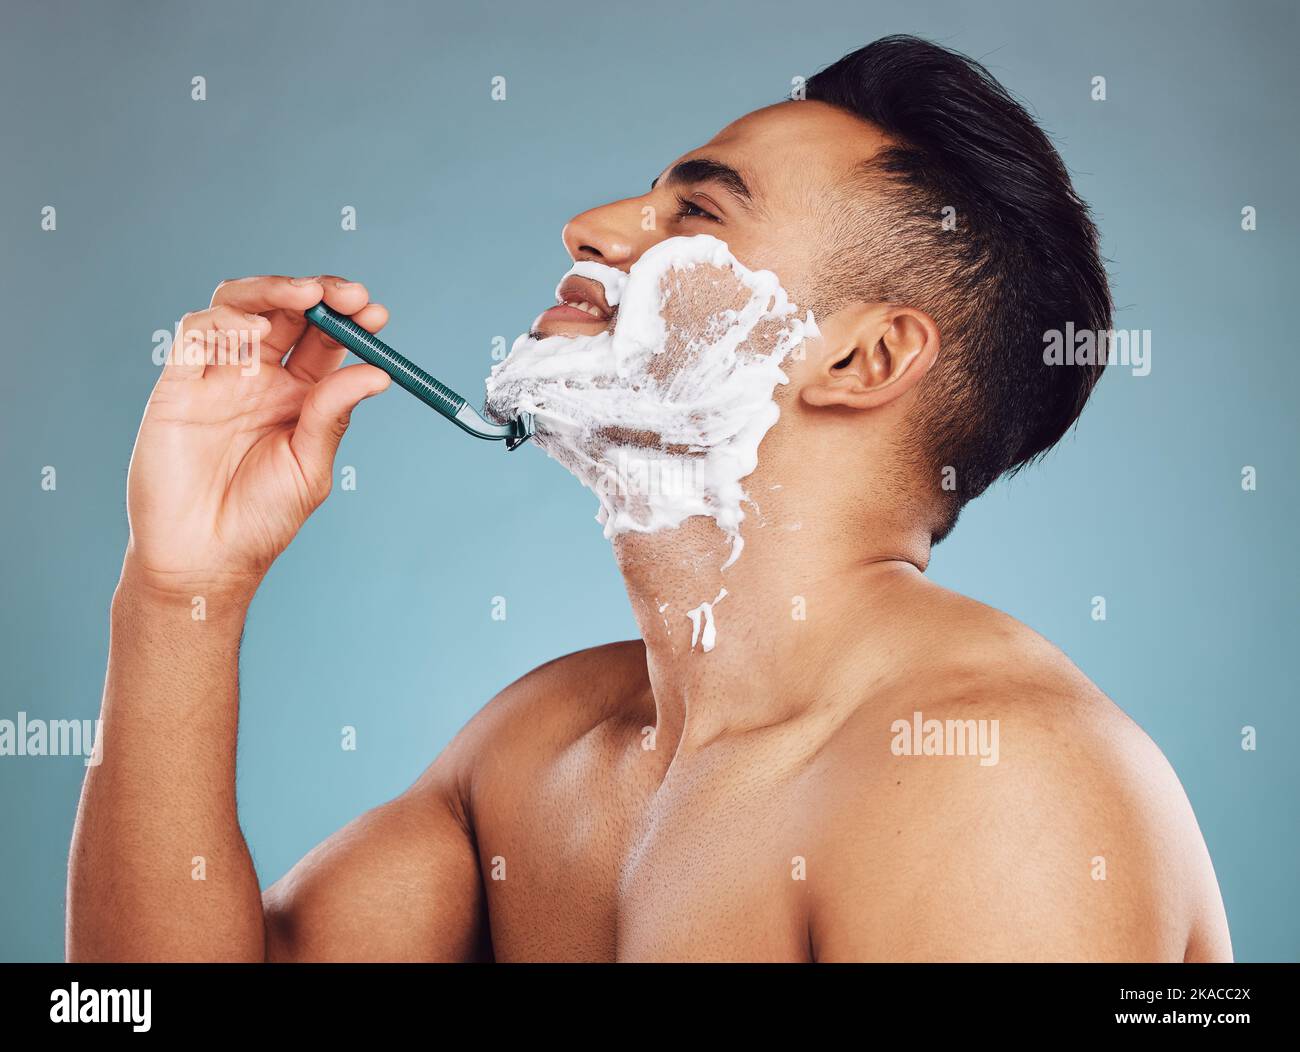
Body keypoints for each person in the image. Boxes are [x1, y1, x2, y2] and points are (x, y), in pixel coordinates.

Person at [67, 36, 1231, 962]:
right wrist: (179, 589)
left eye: (697, 211)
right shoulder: (541, 749)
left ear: (862, 361)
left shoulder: (992, 786)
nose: (592, 227)